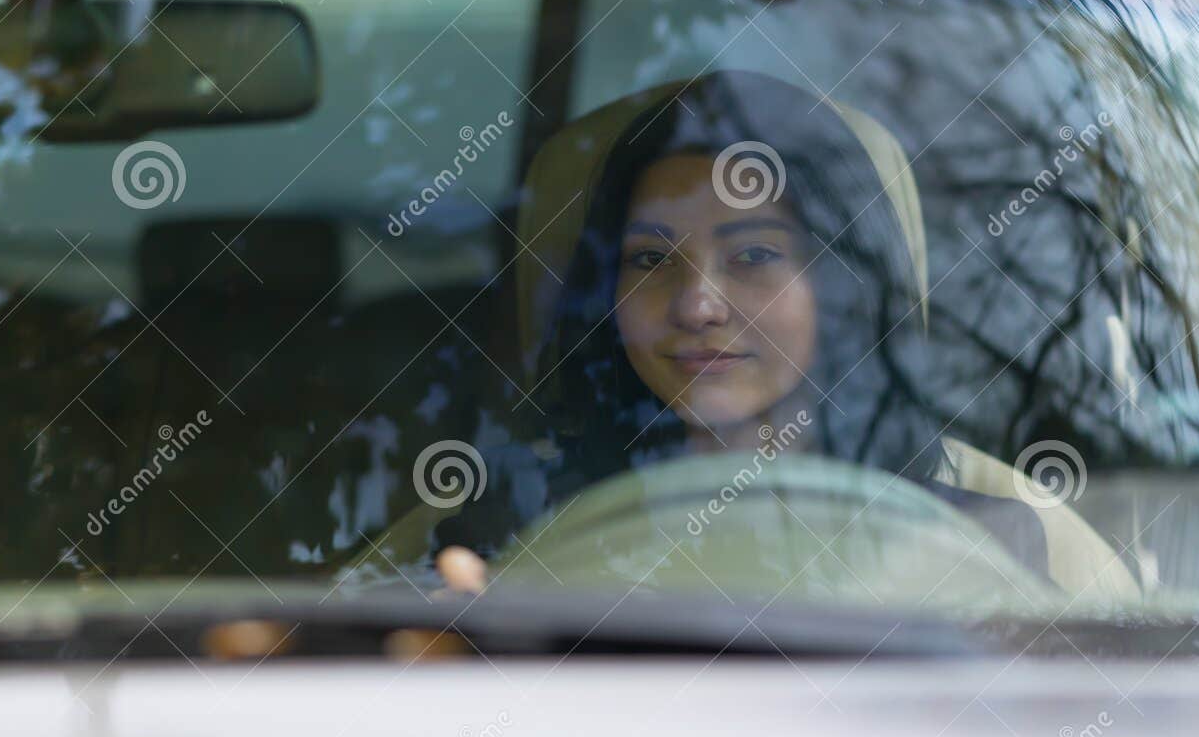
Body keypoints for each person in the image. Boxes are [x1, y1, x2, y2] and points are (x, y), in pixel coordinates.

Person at [434, 71, 1045, 592]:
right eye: (650, 259)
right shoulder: (514, 522)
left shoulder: (979, 548)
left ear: (840, 290)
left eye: (753, 256)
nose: (698, 306)